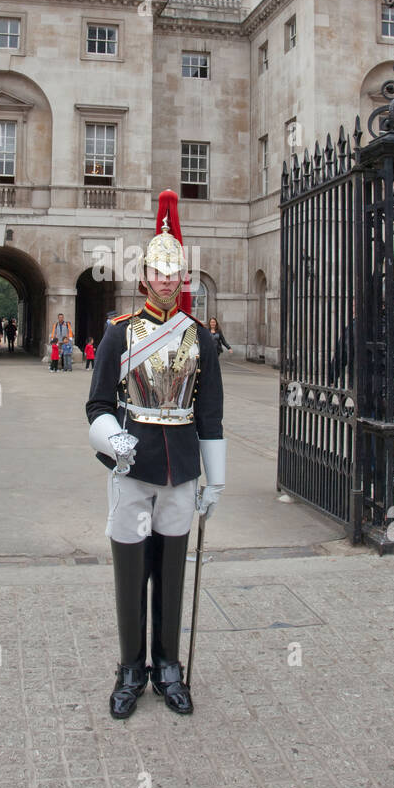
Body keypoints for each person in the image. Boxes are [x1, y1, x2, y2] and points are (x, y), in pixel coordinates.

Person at [86, 189, 225, 720]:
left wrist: (216, 481)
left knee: (171, 570)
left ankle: (168, 665)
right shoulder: (119, 336)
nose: (167, 282)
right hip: (132, 464)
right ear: (144, 276)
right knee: (130, 570)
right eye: (158, 273)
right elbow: (97, 404)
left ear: (181, 278)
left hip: (181, 466)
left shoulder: (199, 339)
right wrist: (112, 438)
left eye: (175, 274)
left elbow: (209, 413)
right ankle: (130, 667)